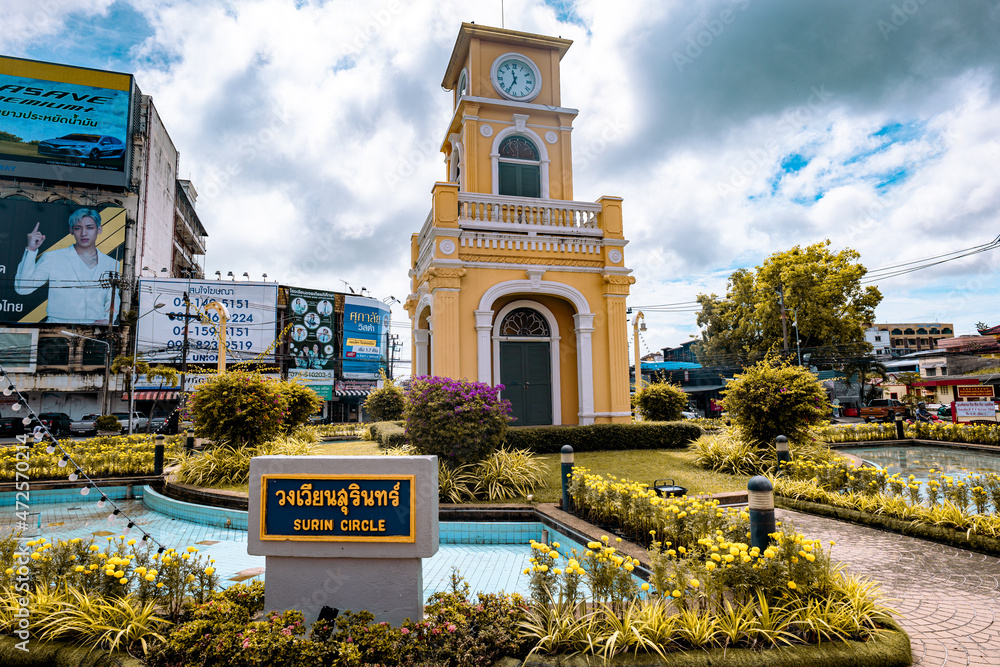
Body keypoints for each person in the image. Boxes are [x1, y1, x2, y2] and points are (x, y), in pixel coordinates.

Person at [14, 208, 119, 324]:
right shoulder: (52, 257)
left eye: (90, 228)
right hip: (58, 327)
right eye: (78, 228)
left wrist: (109, 318)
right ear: (71, 230)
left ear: (99, 229)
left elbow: (113, 298)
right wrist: (31, 250)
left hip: (94, 328)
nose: (84, 233)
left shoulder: (111, 263)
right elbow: (22, 288)